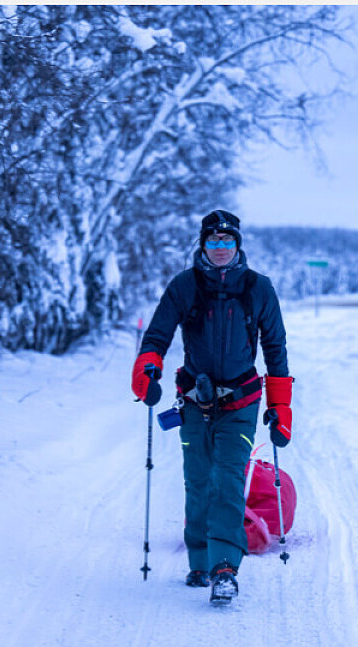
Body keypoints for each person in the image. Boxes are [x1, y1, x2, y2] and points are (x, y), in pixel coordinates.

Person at [130, 209, 293, 605]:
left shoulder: (258, 288)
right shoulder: (185, 286)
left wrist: (280, 409)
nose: (220, 248)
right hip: (194, 400)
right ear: (203, 244)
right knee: (199, 479)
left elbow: (275, 349)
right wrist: (146, 372)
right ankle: (199, 561)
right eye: (213, 241)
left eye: (227, 240)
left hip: (242, 400)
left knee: (228, 479)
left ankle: (224, 568)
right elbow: (157, 336)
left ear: (238, 244)